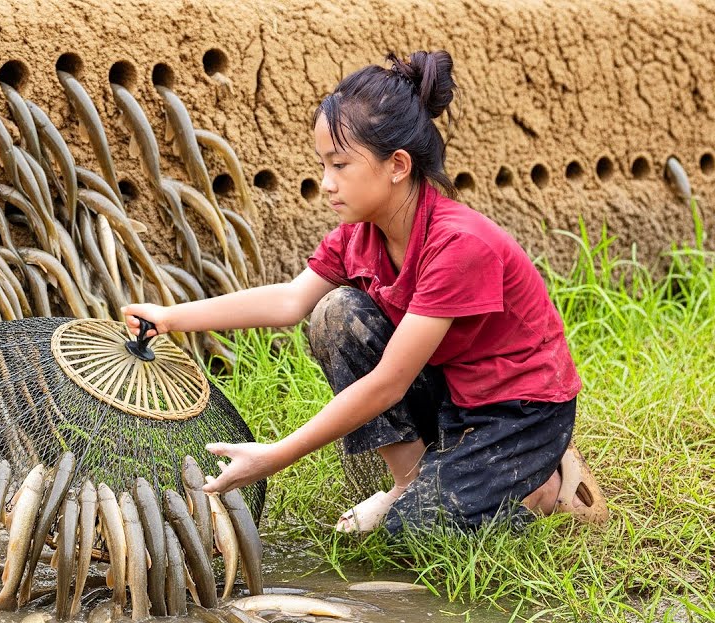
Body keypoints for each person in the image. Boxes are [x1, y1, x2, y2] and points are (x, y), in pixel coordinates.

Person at [123, 50, 607, 533]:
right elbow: (291, 301)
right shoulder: (361, 234)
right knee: (336, 314)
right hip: (452, 391)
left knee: (418, 532)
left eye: (340, 165)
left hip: (518, 410)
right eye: (322, 166)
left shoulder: (459, 245)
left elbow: (389, 383)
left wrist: (275, 456)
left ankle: (545, 481)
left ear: (397, 165)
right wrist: (171, 317)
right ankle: (408, 481)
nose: (326, 183)